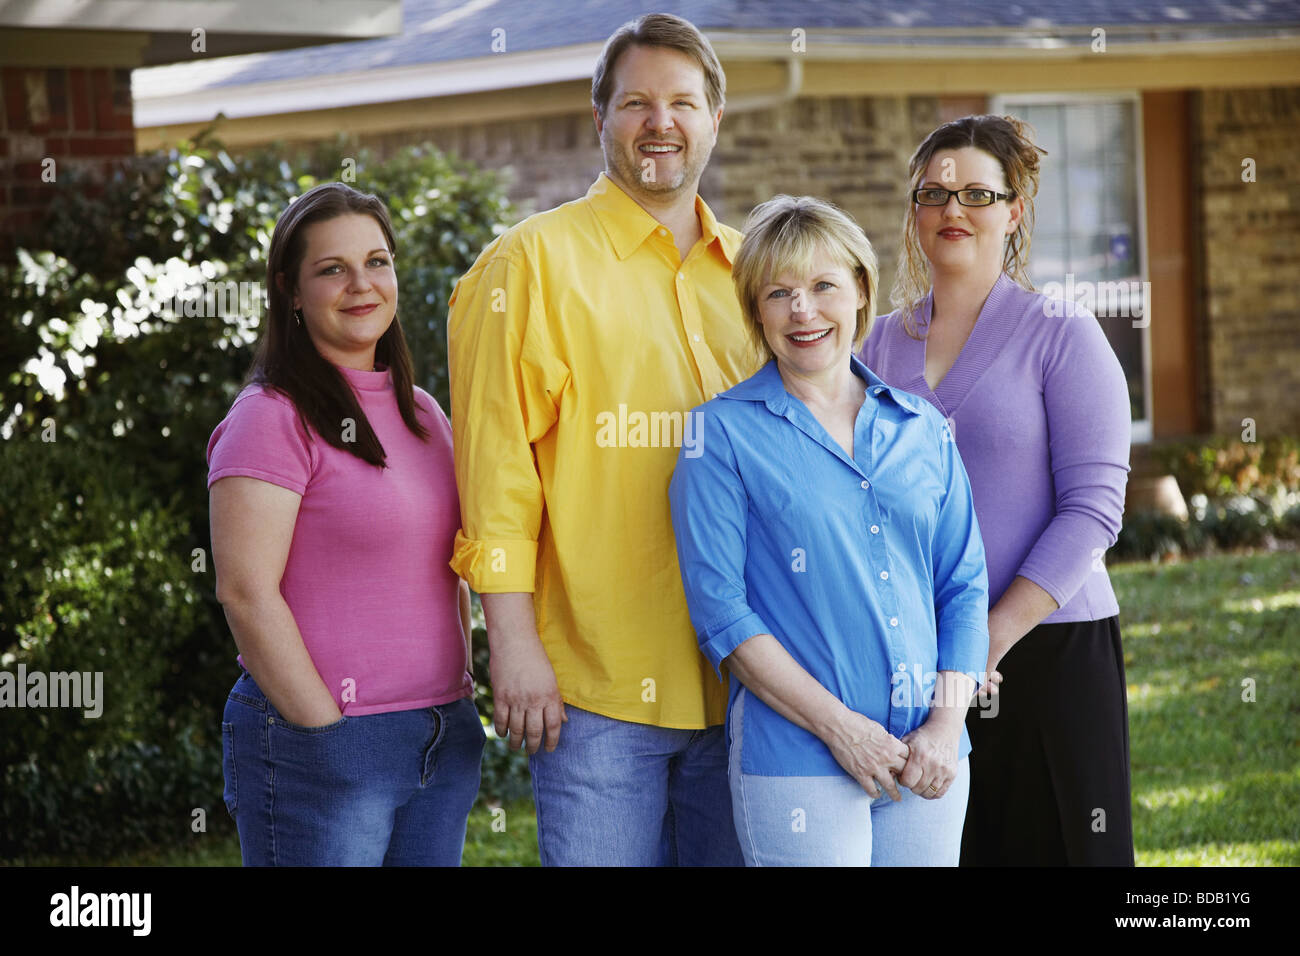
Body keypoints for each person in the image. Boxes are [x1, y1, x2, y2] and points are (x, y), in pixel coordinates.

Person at [447, 13, 749, 866]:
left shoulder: (758, 274)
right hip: (597, 691)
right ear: (601, 119)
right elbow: (496, 476)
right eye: (637, 103)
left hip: (750, 681)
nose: (662, 122)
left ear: (714, 120)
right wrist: (510, 644)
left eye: (684, 102)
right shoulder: (527, 265)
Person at [669, 195, 990, 866]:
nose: (802, 310)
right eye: (778, 293)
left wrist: (946, 721)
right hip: (798, 761)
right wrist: (842, 730)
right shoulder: (719, 435)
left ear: (860, 291)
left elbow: (962, 587)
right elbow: (722, 614)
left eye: (822, 286)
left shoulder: (922, 428)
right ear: (756, 311)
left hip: (927, 757)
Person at [861, 114, 1135, 865]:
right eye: (935, 193)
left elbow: (1092, 512)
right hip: (916, 659)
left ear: (1014, 211)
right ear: (914, 212)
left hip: (1047, 648)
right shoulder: (876, 345)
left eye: (978, 193)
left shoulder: (1062, 334)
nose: (954, 210)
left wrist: (985, 639)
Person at [208, 182, 483, 866]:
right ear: (291, 292)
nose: (361, 285)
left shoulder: (423, 412)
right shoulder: (270, 417)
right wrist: (324, 732)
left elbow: (450, 560)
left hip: (441, 735)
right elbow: (245, 591)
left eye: (377, 261)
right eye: (332, 269)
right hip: (326, 741)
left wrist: (465, 689)